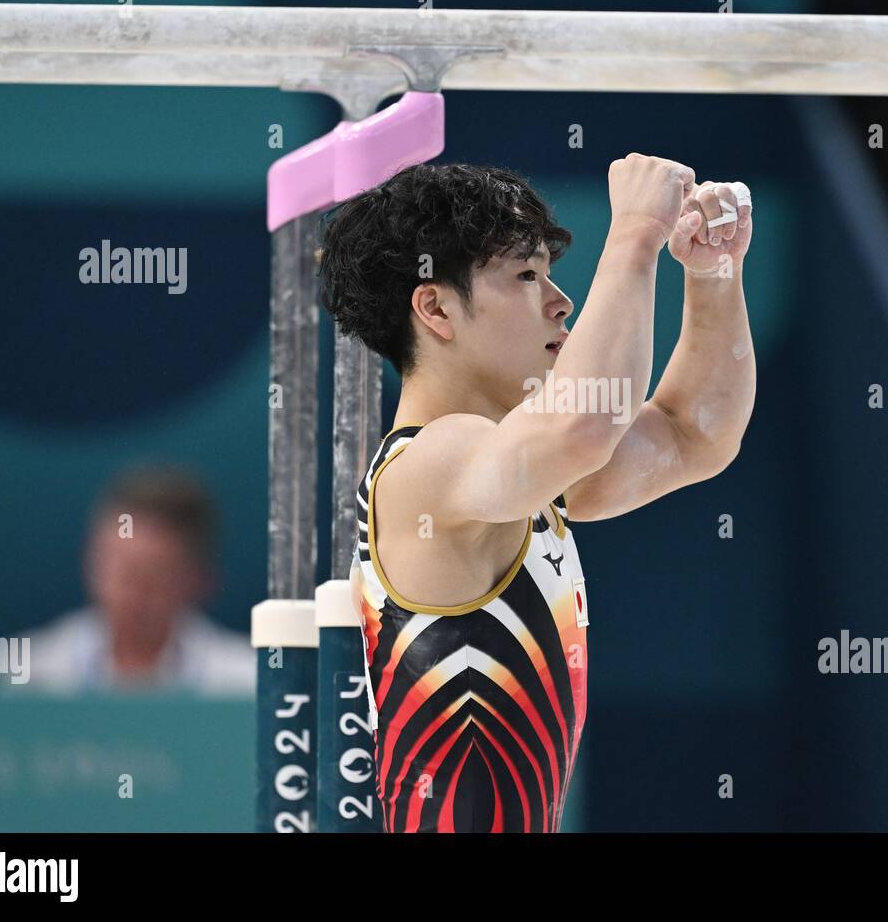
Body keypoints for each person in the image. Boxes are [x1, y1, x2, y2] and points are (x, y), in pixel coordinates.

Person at [320, 156, 755, 832]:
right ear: (435, 306)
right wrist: (635, 235)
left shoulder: (518, 482)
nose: (561, 301)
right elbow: (585, 424)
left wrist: (713, 274)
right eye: (526, 276)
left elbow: (695, 434)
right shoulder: (426, 469)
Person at [21, 466, 254, 696]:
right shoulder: (27, 675)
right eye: (121, 571)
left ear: (201, 579)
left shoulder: (248, 683)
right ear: (89, 560)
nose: (134, 593)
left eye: (156, 575)